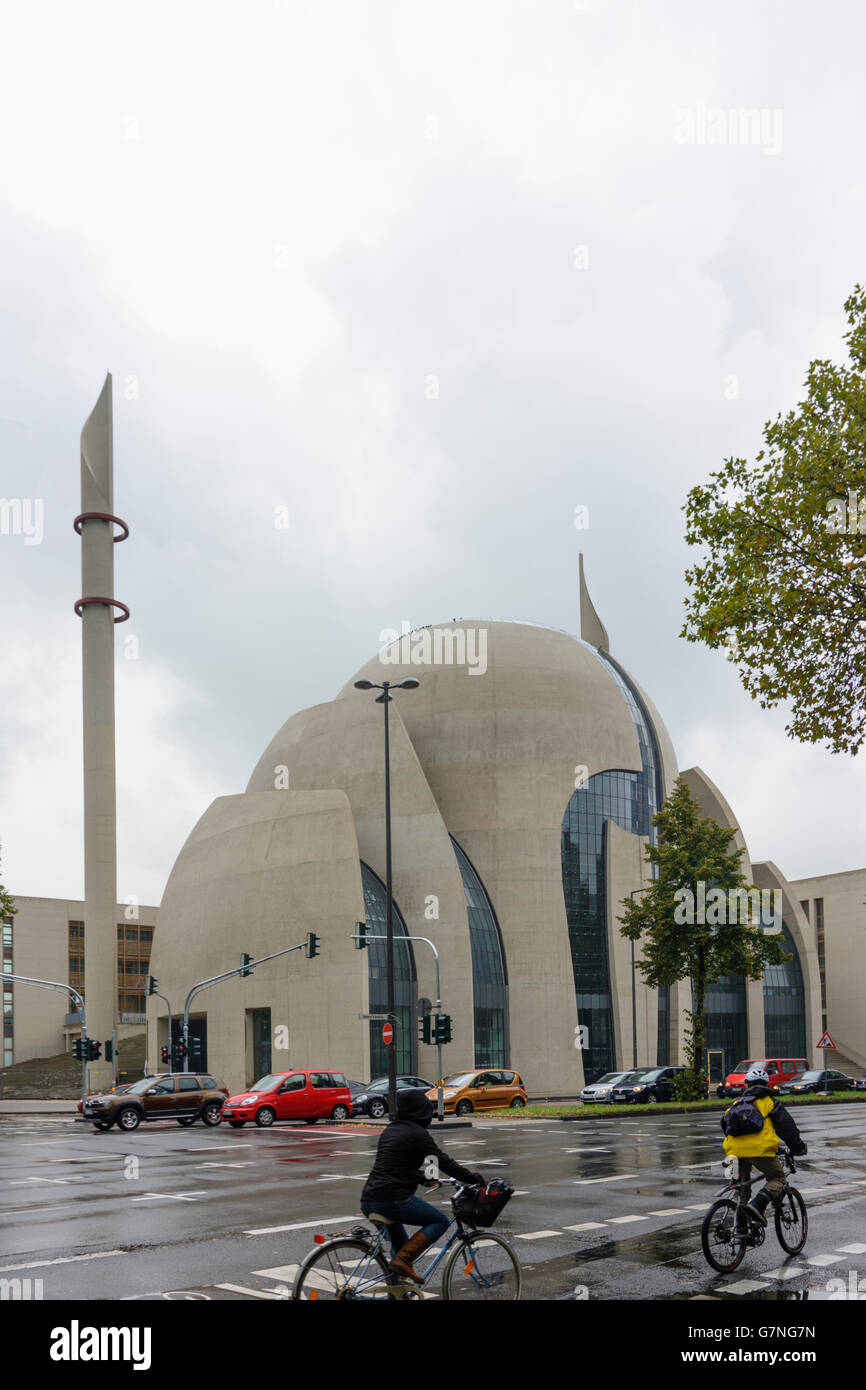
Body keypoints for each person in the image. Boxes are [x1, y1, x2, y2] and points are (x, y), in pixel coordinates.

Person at [360, 1088, 485, 1283]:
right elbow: (442, 1162)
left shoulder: (390, 1130)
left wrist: (423, 1177)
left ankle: (398, 1291)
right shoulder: (418, 1134)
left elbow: (398, 1167)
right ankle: (403, 1260)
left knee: (399, 1249)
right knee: (439, 1222)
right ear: (421, 1111)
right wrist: (473, 1178)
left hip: (369, 1199)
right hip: (392, 1199)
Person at [721, 1064, 807, 1225]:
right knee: (778, 1178)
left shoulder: (736, 1103)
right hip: (760, 1151)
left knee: (741, 1189)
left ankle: (739, 1230)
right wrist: (798, 1147)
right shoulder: (770, 1102)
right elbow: (787, 1128)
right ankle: (757, 1205)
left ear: (747, 1085)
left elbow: (725, 1126)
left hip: (733, 1152)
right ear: (767, 1085)